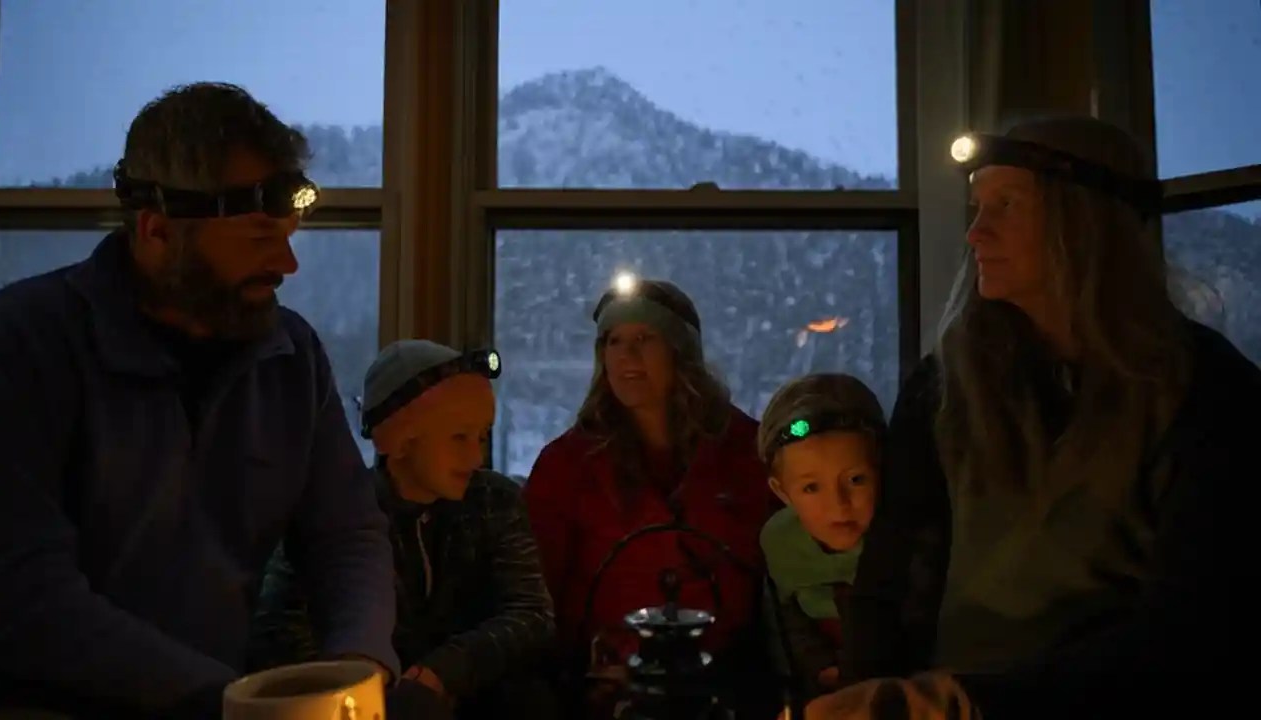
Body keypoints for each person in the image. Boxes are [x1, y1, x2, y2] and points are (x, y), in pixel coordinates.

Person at [814, 116, 1261, 718]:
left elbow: (1193, 630)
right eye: (977, 206)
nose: (976, 232)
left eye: (1006, 204)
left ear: (1085, 222)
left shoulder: (1207, 392)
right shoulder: (945, 389)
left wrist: (956, 703)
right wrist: (872, 698)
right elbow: (888, 584)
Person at [0, 82, 399, 718]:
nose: (287, 265)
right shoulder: (18, 346)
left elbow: (346, 536)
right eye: (259, 240)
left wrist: (360, 667)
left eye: (289, 237)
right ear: (157, 231)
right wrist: (225, 700)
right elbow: (19, 589)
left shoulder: (290, 357)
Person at [249, 340, 558, 720]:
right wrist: (366, 685)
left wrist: (445, 671)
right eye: (458, 437)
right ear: (400, 441)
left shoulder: (495, 502)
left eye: (481, 436)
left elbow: (530, 613)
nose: (476, 457)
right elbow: (278, 625)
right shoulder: (341, 518)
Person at [523, 276, 778, 717]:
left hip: (733, 689)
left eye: (644, 338)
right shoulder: (567, 466)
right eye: (614, 341)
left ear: (681, 351)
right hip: (606, 693)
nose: (627, 354)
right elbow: (538, 593)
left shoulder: (747, 452)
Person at [756, 373, 884, 706]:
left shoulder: (906, 538)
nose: (838, 505)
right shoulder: (781, 544)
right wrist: (819, 665)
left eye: (856, 480)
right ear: (782, 492)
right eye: (811, 487)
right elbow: (785, 623)